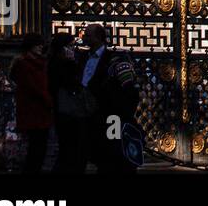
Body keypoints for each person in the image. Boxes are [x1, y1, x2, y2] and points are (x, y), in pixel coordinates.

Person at [77, 24, 140, 174]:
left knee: (114, 152)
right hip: (90, 114)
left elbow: (130, 89)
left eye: (87, 35)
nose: (84, 38)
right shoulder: (83, 57)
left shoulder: (115, 59)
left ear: (98, 38)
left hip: (112, 114)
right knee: (99, 152)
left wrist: (123, 113)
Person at [11, 33, 53, 173]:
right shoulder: (25, 64)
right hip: (34, 110)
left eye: (41, 44)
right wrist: (49, 101)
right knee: (36, 149)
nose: (41, 47)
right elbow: (35, 88)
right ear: (30, 47)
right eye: (37, 44)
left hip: (39, 111)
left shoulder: (38, 63)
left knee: (38, 148)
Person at [48, 33, 87, 174]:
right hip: (66, 109)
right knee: (70, 147)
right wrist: (71, 63)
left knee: (70, 147)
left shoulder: (53, 62)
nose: (73, 49)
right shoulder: (59, 64)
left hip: (65, 109)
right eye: (70, 46)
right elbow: (71, 83)